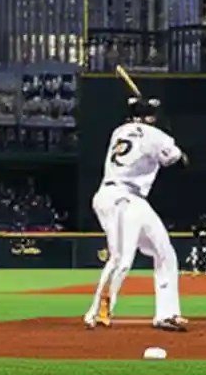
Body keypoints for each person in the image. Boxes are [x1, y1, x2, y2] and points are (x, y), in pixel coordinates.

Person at [84, 96, 189, 332]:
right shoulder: (155, 135)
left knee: (164, 251)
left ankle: (167, 314)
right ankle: (98, 311)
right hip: (121, 198)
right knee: (121, 258)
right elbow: (177, 161)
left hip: (128, 200)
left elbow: (143, 141)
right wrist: (174, 144)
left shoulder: (119, 131)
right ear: (151, 117)